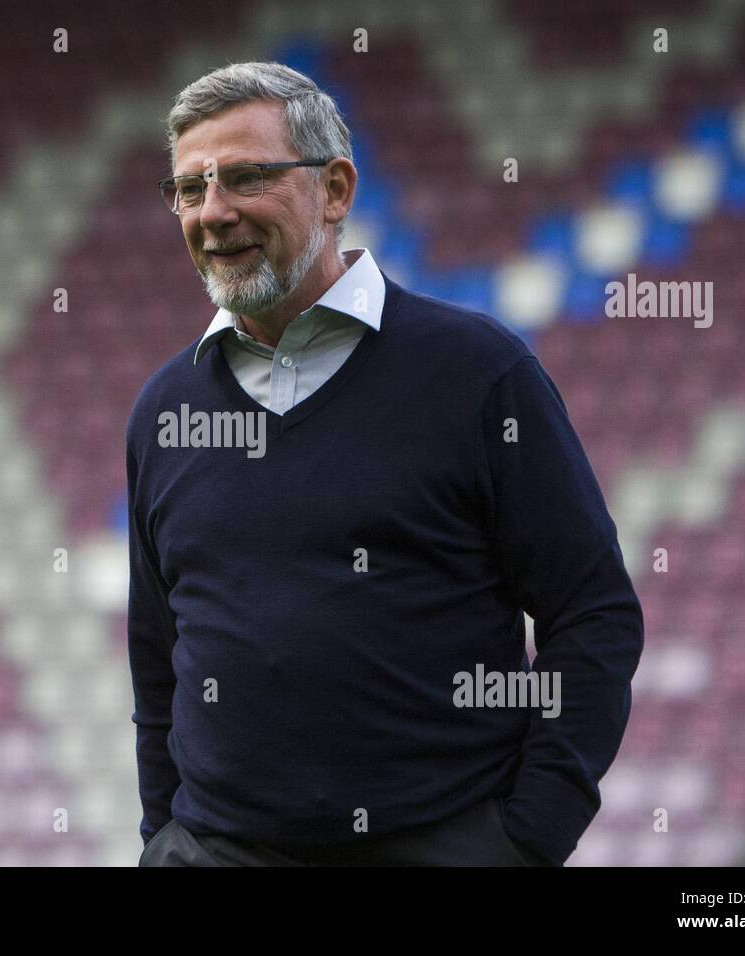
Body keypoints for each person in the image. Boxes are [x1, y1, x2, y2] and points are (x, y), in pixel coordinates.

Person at [126, 61, 644, 866]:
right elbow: (157, 660)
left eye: (246, 177)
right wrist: (162, 836)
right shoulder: (164, 411)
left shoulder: (477, 374)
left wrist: (525, 838)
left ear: (335, 190)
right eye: (189, 189)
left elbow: (594, 616)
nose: (213, 212)